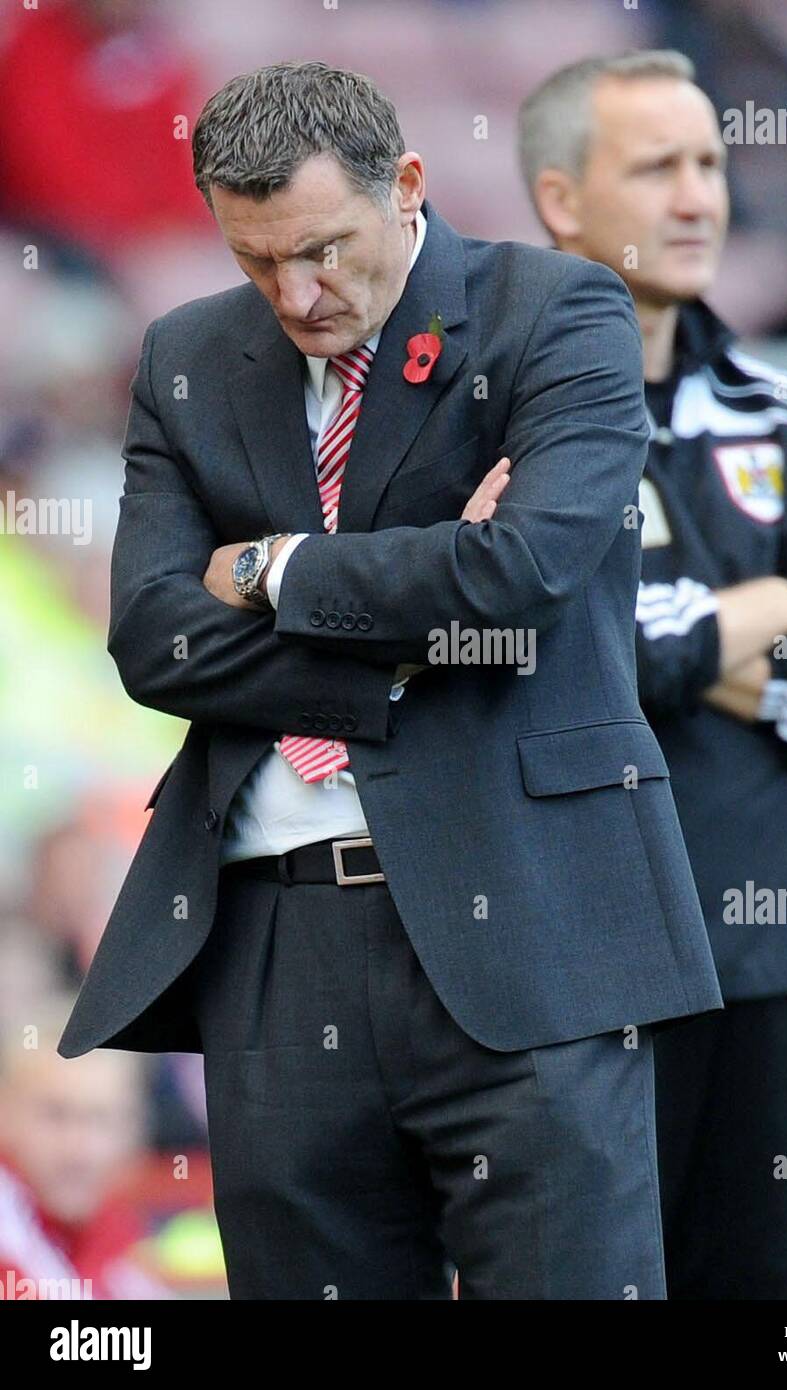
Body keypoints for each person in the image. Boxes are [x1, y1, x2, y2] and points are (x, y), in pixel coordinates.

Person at [58, 61, 722, 1300]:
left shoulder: (562, 311)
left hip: (539, 924)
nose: (295, 294)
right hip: (272, 936)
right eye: (257, 262)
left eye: (321, 250)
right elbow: (153, 641)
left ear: (407, 187)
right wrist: (412, 632)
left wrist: (269, 567)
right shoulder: (188, 354)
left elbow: (523, 574)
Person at [519, 48, 787, 1299]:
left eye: (710, 163)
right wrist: (767, 605)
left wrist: (671, 635)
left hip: (772, 958)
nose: (699, 197)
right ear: (561, 199)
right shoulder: (491, 416)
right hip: (566, 963)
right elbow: (547, 652)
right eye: (656, 167)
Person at [0, 997, 171, 1299]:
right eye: (56, 1115)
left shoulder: (115, 1230)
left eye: (100, 1119)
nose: (77, 1150)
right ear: (6, 1113)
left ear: (132, 1130)